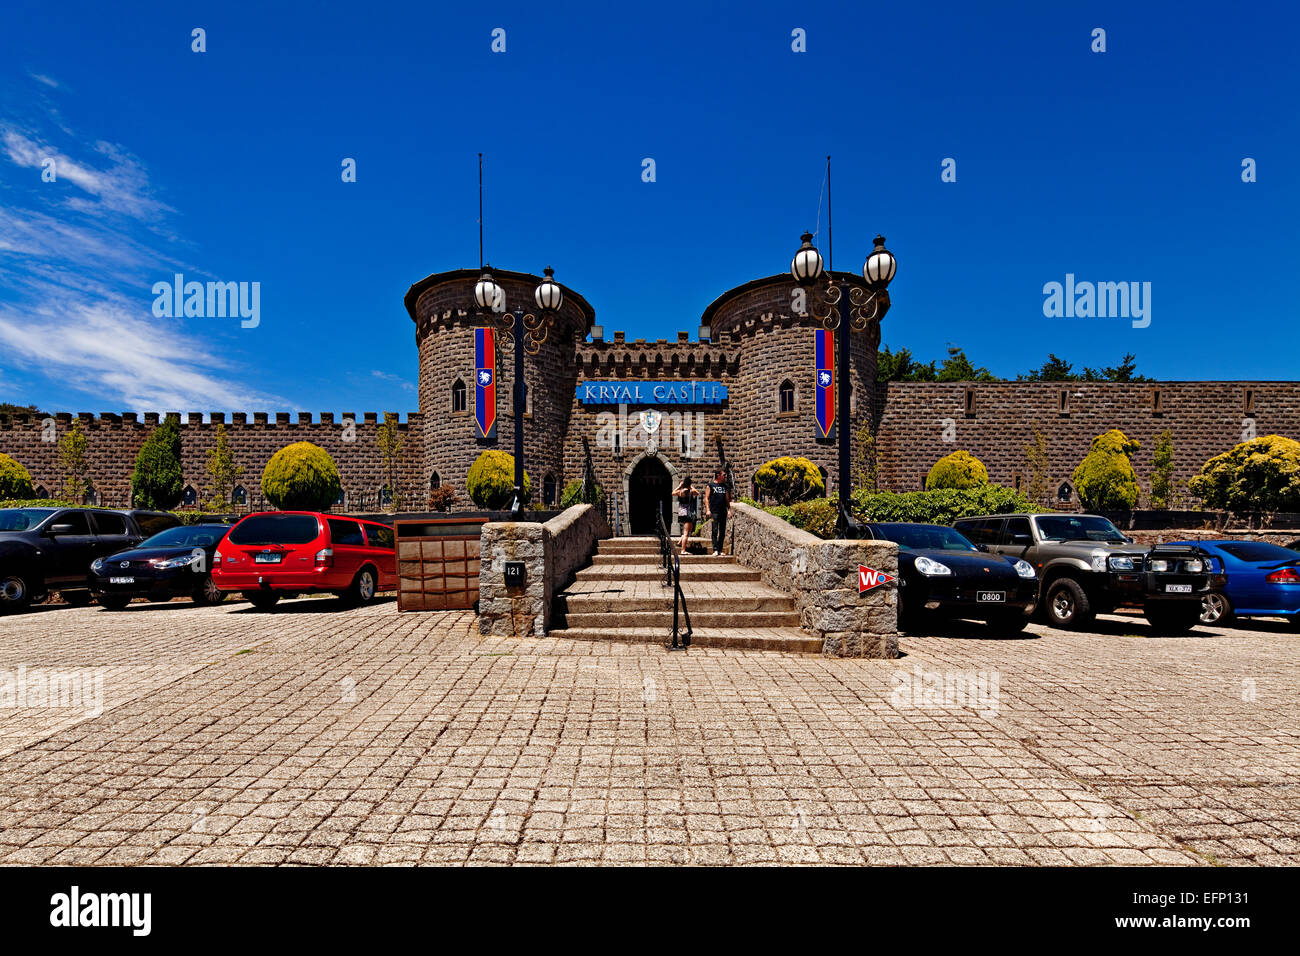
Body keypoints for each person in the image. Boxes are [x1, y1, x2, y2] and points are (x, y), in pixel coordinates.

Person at [704, 469, 731, 556]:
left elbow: (727, 499)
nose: (725, 477)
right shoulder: (710, 485)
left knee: (722, 531)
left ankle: (720, 550)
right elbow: (706, 498)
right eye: (724, 475)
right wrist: (708, 510)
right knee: (715, 530)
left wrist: (729, 510)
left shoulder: (725, 486)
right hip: (714, 511)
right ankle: (715, 549)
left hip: (723, 511)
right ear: (718, 475)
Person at [672, 476, 698, 554]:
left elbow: (673, 492)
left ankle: (681, 541)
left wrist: (679, 486)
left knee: (689, 529)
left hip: (682, 512)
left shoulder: (680, 492)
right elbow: (697, 492)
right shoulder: (690, 491)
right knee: (686, 532)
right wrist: (691, 486)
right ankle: (683, 550)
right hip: (688, 513)